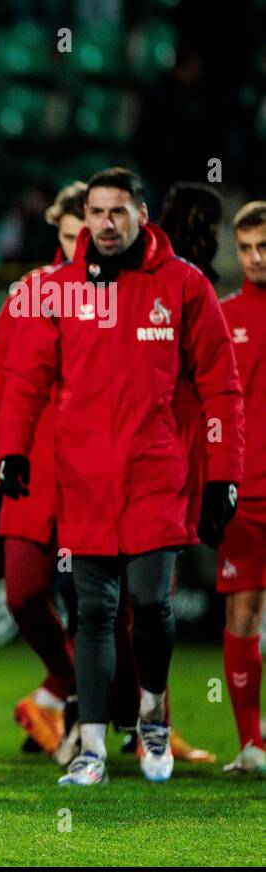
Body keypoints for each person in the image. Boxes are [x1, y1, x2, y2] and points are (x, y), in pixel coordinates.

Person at [0, 167, 244, 786]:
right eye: (96, 212)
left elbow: (221, 387)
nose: (105, 224)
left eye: (117, 211)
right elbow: (26, 377)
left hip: (156, 477)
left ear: (140, 214)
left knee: (152, 606)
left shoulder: (183, 285)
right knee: (95, 614)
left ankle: (153, 720)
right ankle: (92, 749)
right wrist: (13, 450)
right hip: (85, 482)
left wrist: (223, 475)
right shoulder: (62, 289)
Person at [0, 182, 85, 755]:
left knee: (102, 604)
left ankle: (106, 716)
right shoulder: (31, 292)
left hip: (94, 465)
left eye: (83, 237)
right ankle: (68, 688)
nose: (75, 248)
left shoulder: (119, 297)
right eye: (67, 237)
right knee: (22, 593)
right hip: (32, 462)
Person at [216, 199, 266, 775]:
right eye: (245, 248)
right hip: (245, 493)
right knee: (243, 614)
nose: (254, 258)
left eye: (263, 247)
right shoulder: (225, 318)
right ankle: (251, 744)